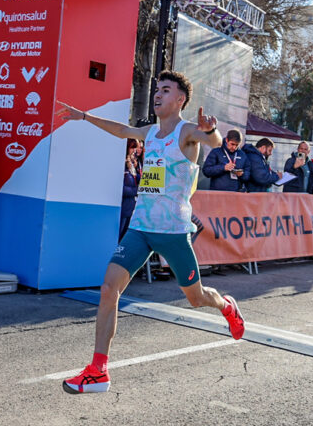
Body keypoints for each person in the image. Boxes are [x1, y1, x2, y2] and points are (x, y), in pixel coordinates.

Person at [56, 70, 245, 394]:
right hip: (140, 228)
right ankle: (99, 369)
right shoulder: (151, 132)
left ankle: (226, 305)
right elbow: (121, 130)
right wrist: (84, 117)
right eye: (156, 89)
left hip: (172, 232)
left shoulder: (187, 132)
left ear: (180, 99)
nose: (157, 94)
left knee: (197, 299)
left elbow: (212, 142)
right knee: (108, 288)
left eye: (166, 90)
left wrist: (211, 130)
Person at [119, 139, 140, 241]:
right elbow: (120, 188)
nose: (135, 150)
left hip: (130, 209)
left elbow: (135, 180)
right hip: (121, 210)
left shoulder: (132, 164)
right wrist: (137, 190)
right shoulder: (120, 164)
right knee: (118, 237)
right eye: (133, 147)